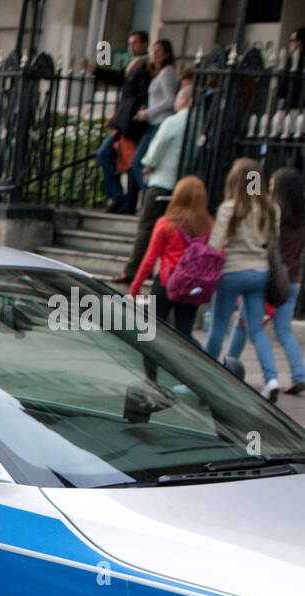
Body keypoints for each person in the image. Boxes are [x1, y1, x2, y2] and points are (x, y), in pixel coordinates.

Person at [204, 158, 282, 401]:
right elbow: (272, 245)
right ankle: (271, 379)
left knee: (218, 325)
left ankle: (205, 375)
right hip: (260, 273)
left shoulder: (230, 208)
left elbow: (215, 245)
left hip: (232, 271)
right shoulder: (271, 209)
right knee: (256, 329)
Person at [225, 167, 305, 395]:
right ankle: (299, 375)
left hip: (269, 279)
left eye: (271, 185)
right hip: (291, 282)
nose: (268, 189)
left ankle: (229, 365)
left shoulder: (273, 213)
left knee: (244, 324)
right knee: (283, 331)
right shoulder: (301, 220)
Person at [112, 72, 192, 284]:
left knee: (147, 227)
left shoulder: (173, 122)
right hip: (186, 186)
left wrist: (148, 165)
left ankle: (133, 270)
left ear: (183, 100)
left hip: (162, 182)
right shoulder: (197, 122)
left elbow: (155, 150)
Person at [129, 175, 212, 341]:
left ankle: (150, 367)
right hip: (191, 286)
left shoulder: (166, 223)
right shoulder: (209, 226)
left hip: (166, 283)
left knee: (152, 333)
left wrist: (135, 287)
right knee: (184, 334)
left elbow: (149, 259)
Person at [83, 30, 150, 214]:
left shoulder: (146, 66)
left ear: (145, 44)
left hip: (134, 122)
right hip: (122, 121)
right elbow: (118, 78)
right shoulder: (132, 65)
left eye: (135, 43)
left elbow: (142, 94)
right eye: (129, 43)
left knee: (130, 161)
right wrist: (96, 70)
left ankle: (129, 204)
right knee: (105, 154)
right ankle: (117, 196)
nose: (131, 47)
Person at [127, 40, 178, 221]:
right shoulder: (158, 72)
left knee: (138, 162)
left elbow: (170, 101)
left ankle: (152, 199)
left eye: (158, 51)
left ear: (166, 54)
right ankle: (150, 199)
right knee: (138, 163)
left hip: (159, 123)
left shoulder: (167, 73)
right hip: (153, 123)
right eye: (153, 50)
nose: (154, 54)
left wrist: (148, 112)